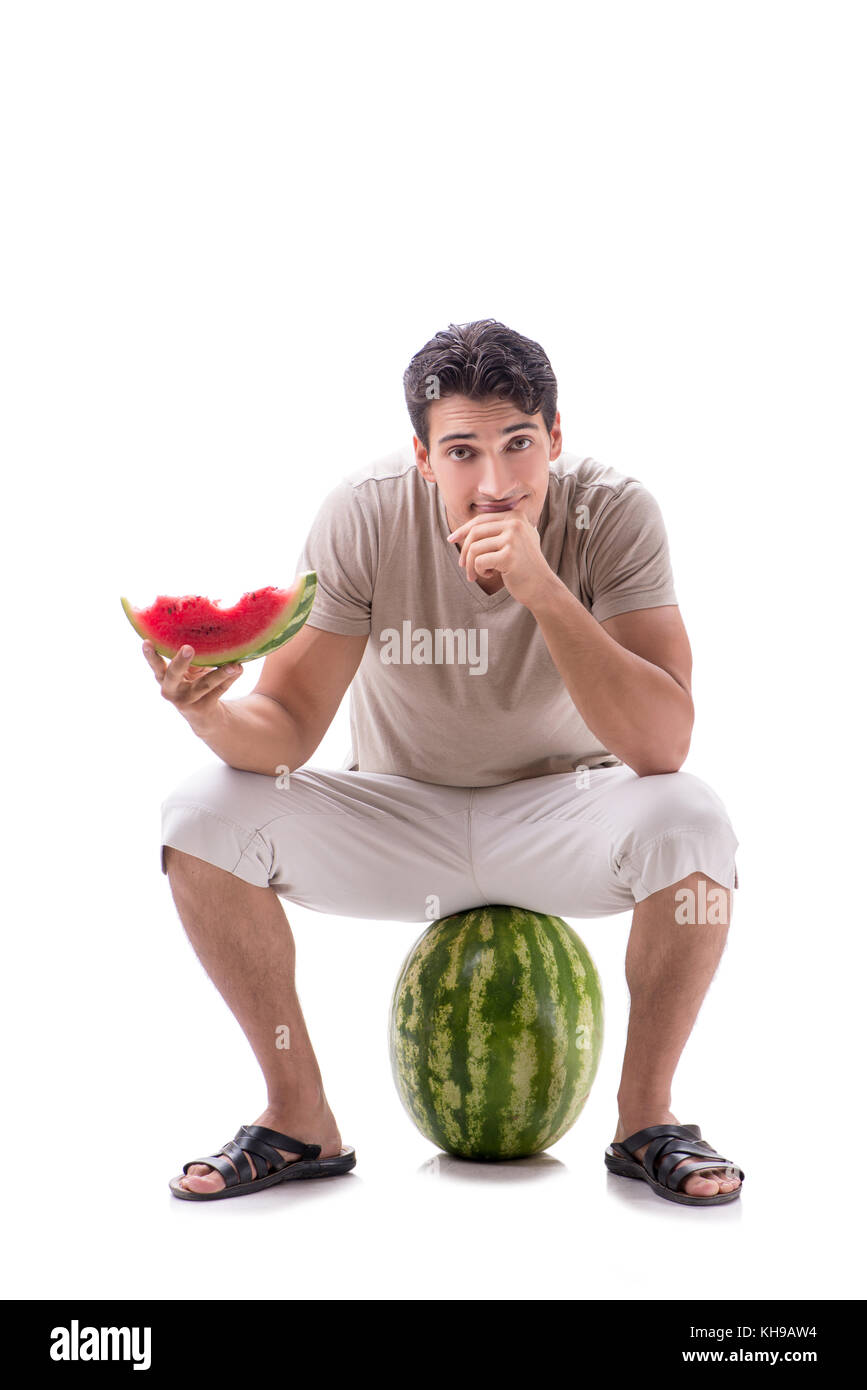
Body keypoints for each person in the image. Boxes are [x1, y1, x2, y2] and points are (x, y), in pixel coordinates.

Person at [153, 319, 744, 1206]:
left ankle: (644, 1121)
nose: (496, 483)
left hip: (564, 817)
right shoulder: (363, 512)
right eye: (463, 452)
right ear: (423, 458)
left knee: (691, 818)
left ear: (555, 436)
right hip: (397, 816)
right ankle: (298, 1116)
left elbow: (662, 745)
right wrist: (211, 714)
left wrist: (543, 589)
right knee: (200, 812)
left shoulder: (614, 511)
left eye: (518, 444)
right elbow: (288, 723)